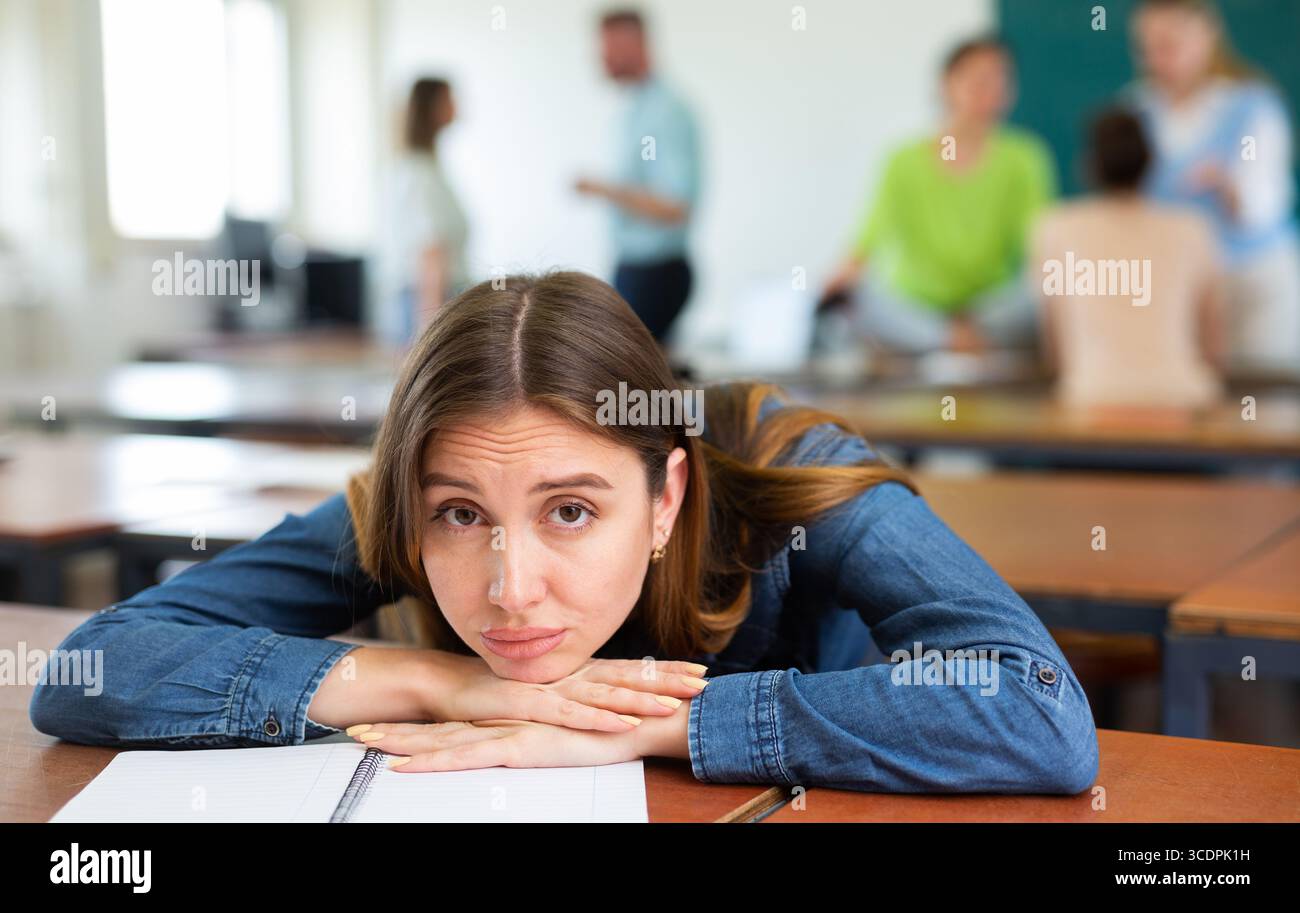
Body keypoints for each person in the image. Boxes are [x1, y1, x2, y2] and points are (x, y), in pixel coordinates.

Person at [31, 273, 1097, 794]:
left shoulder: (785, 468)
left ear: (666, 497)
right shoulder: (386, 509)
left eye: (572, 511)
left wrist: (654, 722)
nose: (510, 588)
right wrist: (440, 683)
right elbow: (88, 671)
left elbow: (1036, 710)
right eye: (460, 516)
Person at [822, 36, 1056, 355]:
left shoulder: (1026, 157)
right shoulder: (902, 161)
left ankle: (952, 341)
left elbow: (1041, 245)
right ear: (946, 83)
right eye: (979, 78)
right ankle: (956, 342)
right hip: (919, 310)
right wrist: (835, 287)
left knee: (1049, 289)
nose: (992, 88)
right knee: (859, 300)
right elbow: (866, 241)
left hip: (991, 311)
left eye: (1001, 79)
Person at [1128, 0, 1300, 375]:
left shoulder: (1252, 105)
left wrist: (1228, 185)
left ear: (1207, 36)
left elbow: (1265, 207)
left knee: (1259, 405)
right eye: (1148, 48)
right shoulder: (1135, 111)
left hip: (1252, 286)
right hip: (1175, 291)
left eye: (1170, 44)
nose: (1158, 59)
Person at [1032, 109, 1224, 409]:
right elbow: (1212, 344)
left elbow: (1055, 350)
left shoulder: (1055, 229)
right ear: (1153, 163)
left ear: (1088, 166)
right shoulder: (1192, 229)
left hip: (1091, 403)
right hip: (1182, 406)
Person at [575, 9, 701, 344]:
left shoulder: (665, 111)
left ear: (636, 44)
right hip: (636, 270)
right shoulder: (635, 108)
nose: (601, 58)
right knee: (632, 386)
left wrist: (604, 190)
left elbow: (674, 206)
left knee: (632, 389)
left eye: (609, 48)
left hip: (655, 273)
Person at [380, 77, 471, 346]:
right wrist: (431, 332)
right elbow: (430, 252)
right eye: (450, 99)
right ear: (431, 107)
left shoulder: (427, 168)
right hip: (429, 301)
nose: (457, 106)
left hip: (433, 300)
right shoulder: (419, 174)